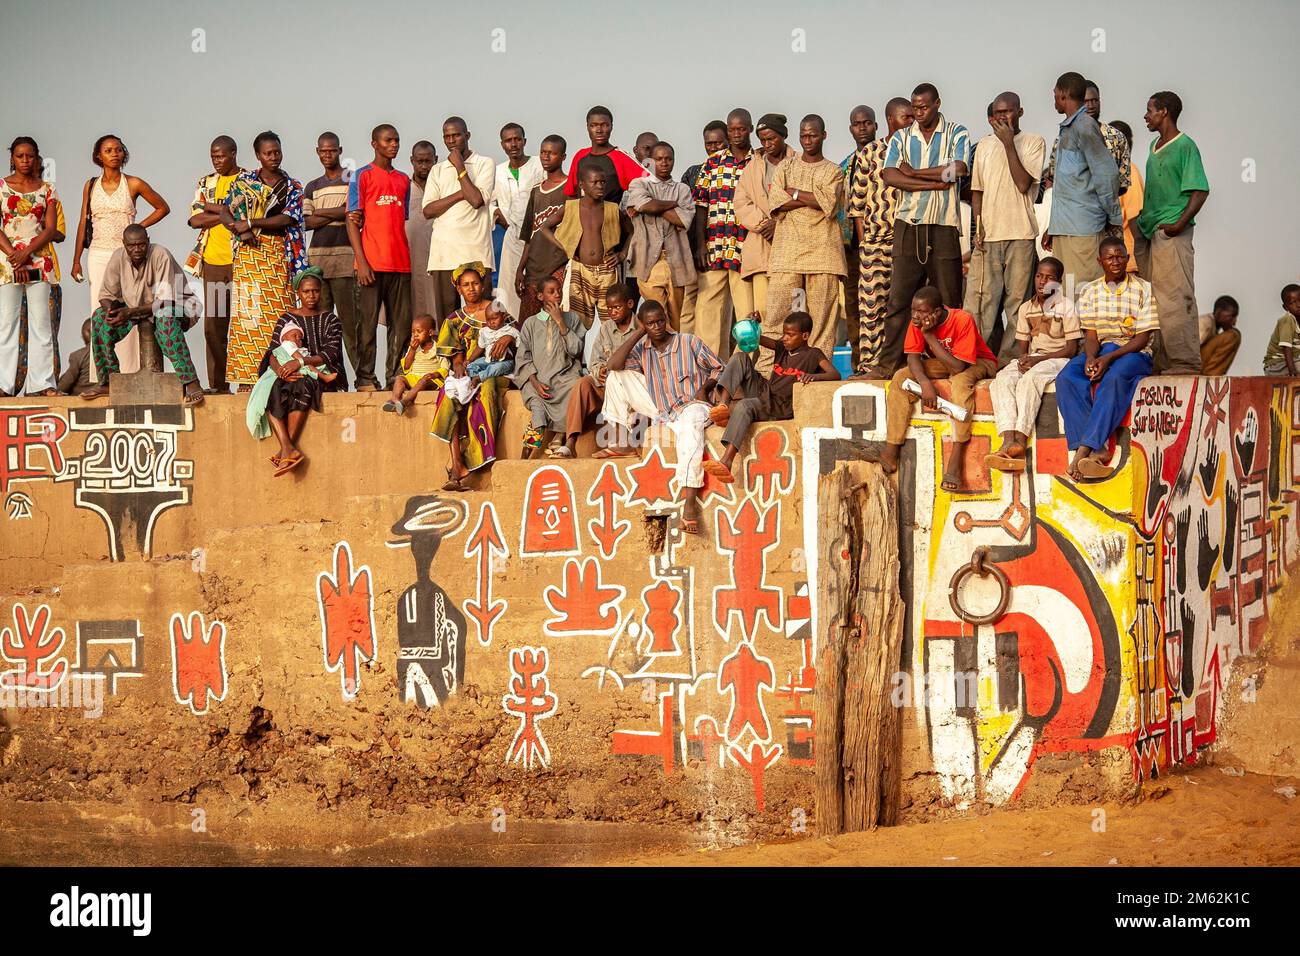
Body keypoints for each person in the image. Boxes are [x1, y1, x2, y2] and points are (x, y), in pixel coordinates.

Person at [876, 84, 971, 377]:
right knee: (899, 300)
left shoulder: (957, 132)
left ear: (938, 104)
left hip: (943, 225)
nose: (919, 113)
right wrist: (933, 182)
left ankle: (952, 363)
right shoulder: (903, 136)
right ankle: (888, 365)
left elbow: (958, 170)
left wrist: (914, 172)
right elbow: (890, 175)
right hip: (909, 224)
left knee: (948, 300)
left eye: (924, 107)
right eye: (915, 108)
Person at [606, 300, 723, 536]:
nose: (657, 326)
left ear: (666, 318)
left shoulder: (688, 341)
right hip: (661, 409)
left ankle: (689, 503)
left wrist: (706, 387)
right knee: (615, 378)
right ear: (643, 324)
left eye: (660, 320)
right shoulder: (642, 349)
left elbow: (719, 368)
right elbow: (614, 365)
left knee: (691, 430)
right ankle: (622, 441)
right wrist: (640, 332)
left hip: (692, 405)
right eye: (651, 323)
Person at [1055, 236, 1158, 480]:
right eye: (1110, 257)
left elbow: (1142, 339)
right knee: (1067, 378)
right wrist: (1092, 358)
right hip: (1101, 349)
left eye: (1120, 256)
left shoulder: (1143, 288)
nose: (1116, 261)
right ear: (1100, 261)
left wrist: (1108, 359)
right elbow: (1091, 336)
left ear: (1127, 258)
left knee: (1113, 379)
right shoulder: (1090, 290)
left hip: (1133, 352)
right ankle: (1098, 450)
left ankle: (1083, 451)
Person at [878, 286, 998, 492]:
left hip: (978, 362)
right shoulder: (917, 322)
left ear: (936, 312)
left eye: (921, 312)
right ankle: (892, 446)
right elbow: (913, 357)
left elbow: (959, 367)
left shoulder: (962, 319)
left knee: (959, 383)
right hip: (945, 361)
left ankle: (957, 456)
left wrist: (930, 336)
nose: (915, 316)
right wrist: (925, 384)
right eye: (913, 311)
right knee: (900, 377)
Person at [70, 134, 170, 376]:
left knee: (130, 307)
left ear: (123, 153)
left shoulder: (133, 183)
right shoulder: (91, 184)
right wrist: (76, 260)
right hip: (98, 252)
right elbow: (83, 222)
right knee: (101, 311)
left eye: (118, 149)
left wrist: (138, 229)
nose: (114, 153)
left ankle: (132, 370)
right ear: (98, 156)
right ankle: (104, 375)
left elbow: (163, 207)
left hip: (128, 255)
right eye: (108, 150)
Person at [80, 224, 205, 406]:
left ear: (147, 241)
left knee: (164, 317)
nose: (137, 249)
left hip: (179, 306)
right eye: (131, 245)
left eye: (141, 244)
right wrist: (112, 312)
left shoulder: (160, 255)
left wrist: (129, 312)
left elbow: (165, 301)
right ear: (124, 245)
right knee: (99, 318)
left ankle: (191, 381)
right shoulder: (117, 257)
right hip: (137, 308)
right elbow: (106, 296)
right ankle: (107, 382)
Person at [223, 131, 308, 391]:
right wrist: (239, 229)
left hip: (277, 253)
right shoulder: (245, 181)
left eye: (277, 152)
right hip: (248, 257)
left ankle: (277, 374)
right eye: (268, 153)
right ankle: (248, 379)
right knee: (247, 319)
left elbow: (287, 219)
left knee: (278, 318)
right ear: (258, 156)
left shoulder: (292, 186)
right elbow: (226, 210)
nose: (273, 157)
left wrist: (250, 222)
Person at [708, 310, 839, 476]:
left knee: (745, 405)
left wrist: (814, 376)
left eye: (790, 335)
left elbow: (835, 374)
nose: (784, 338)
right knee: (740, 357)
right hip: (765, 392)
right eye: (784, 334)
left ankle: (726, 461)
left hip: (780, 405)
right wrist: (753, 324)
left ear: (805, 336)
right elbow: (756, 338)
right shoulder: (782, 348)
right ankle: (723, 405)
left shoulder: (813, 354)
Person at [965, 92, 1045, 362]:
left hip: (1021, 233)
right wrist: (978, 228)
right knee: (980, 302)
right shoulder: (984, 146)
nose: (1002, 118)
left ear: (1020, 112)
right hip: (988, 237)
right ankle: (976, 357)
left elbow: (1024, 184)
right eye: (998, 113)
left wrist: (1009, 144)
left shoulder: (1033, 142)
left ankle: (1009, 359)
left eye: (1007, 112)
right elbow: (977, 190)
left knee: (1017, 304)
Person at [1134, 90, 1210, 375]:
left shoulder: (1185, 145)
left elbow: (1200, 190)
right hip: (1151, 230)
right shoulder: (1155, 144)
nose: (1146, 116)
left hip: (1171, 232)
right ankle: (1163, 362)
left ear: (1164, 112)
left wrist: (1179, 224)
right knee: (1154, 299)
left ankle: (1184, 363)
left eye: (1150, 110)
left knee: (1176, 297)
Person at [985, 257, 1081, 472]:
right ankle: (1007, 439)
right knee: (1002, 379)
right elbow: (1023, 345)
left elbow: (1071, 349)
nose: (1042, 281)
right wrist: (1023, 360)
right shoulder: (1026, 308)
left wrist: (1036, 361)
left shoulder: (1066, 306)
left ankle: (1020, 439)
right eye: (1039, 276)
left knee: (1031, 380)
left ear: (1058, 282)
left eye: (1049, 278)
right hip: (1034, 357)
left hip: (1058, 359)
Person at [247, 269, 346, 476]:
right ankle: (288, 447)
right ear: (298, 293)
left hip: (321, 373)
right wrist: (281, 370)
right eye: (306, 291)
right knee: (271, 388)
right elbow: (273, 352)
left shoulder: (331, 319)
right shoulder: (286, 319)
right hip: (286, 371)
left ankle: (285, 450)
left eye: (316, 291)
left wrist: (299, 362)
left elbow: (331, 353)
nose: (311, 296)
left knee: (303, 383)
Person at [766, 115, 847, 362]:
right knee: (778, 316)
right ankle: (769, 372)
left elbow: (830, 204)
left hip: (824, 254)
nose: (808, 140)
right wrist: (813, 198)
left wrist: (796, 193)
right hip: (786, 254)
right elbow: (776, 201)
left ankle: (817, 373)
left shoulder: (834, 171)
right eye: (803, 135)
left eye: (812, 135)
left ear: (824, 135)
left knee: (821, 322)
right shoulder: (785, 168)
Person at [429, 263, 508, 491]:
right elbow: (453, 355)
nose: (471, 288)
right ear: (458, 289)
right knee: (449, 394)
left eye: (475, 283)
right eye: (465, 285)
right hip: (467, 370)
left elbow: (515, 336)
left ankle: (476, 455)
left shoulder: (497, 310)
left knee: (486, 388)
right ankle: (457, 465)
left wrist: (508, 340)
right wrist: (458, 364)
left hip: (496, 370)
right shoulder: (453, 320)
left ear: (483, 285)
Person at [847, 97, 911, 375]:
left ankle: (903, 363)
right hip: (875, 242)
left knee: (903, 306)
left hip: (909, 240)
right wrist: (864, 245)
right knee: (871, 307)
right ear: (890, 119)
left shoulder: (916, 150)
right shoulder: (871, 152)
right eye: (906, 117)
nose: (911, 120)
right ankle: (870, 364)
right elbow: (857, 206)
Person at [346, 124, 412, 390]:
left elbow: (400, 219)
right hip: (370, 263)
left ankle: (394, 376)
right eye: (388, 140)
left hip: (401, 263)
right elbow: (352, 221)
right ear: (375, 143)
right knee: (367, 325)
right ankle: (365, 378)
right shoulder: (361, 176)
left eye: (396, 139)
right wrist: (361, 261)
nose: (394, 144)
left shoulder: (403, 179)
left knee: (400, 326)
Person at [1042, 72, 1121, 294]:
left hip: (1084, 229)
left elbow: (1106, 174)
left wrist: (1113, 216)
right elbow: (1069, 184)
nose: (1054, 98)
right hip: (1066, 227)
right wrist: (1054, 226)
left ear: (1064, 94)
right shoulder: (1070, 127)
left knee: (1084, 293)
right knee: (1065, 293)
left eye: (1055, 93)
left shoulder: (1085, 126)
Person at [692, 109, 756, 357]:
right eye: (732, 129)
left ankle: (746, 373)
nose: (737, 133)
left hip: (746, 249)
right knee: (708, 313)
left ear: (750, 130)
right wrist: (700, 245)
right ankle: (710, 374)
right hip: (715, 246)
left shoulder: (758, 162)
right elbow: (700, 207)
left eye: (741, 129)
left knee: (747, 318)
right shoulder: (713, 163)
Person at [735, 113, 795, 373]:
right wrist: (764, 224)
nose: (768, 144)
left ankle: (789, 367)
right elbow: (741, 203)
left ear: (783, 136)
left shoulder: (798, 162)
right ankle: (759, 371)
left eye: (772, 138)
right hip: (761, 249)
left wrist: (779, 224)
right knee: (762, 314)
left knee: (791, 314)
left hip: (792, 248)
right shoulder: (753, 166)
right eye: (763, 139)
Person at [0, 137, 60, 397]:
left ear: (37, 158)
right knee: (7, 322)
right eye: (20, 156)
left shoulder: (47, 188)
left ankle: (42, 383)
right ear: (12, 157)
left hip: (38, 258)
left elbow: (51, 229)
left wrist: (27, 251)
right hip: (8, 259)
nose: (25, 161)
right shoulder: (1, 187)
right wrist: (15, 253)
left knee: (41, 322)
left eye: (30, 156)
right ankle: (4, 384)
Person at [185, 135, 245, 394]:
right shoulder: (205, 182)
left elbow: (250, 216)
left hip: (243, 259)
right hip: (212, 261)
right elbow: (195, 220)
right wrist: (225, 212)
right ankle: (219, 385)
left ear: (233, 153)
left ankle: (247, 380)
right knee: (214, 326)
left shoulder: (248, 180)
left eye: (221, 156)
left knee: (244, 323)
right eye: (213, 156)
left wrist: (214, 211)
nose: (217, 161)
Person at [537, 163, 630, 329]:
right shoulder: (571, 206)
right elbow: (544, 228)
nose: (600, 186)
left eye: (602, 182)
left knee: (612, 323)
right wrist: (566, 247)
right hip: (580, 271)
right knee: (576, 323)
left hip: (607, 271)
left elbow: (632, 232)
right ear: (582, 185)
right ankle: (575, 354)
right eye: (594, 182)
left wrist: (622, 254)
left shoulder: (612, 209)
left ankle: (612, 354)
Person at [423, 117, 496, 325]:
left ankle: (481, 359)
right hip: (443, 255)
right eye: (447, 136)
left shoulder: (485, 163)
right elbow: (428, 210)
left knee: (482, 319)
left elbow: (475, 200)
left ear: (467, 136)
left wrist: (459, 167)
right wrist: (458, 194)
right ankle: (451, 359)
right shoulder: (437, 170)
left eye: (456, 135)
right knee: (448, 321)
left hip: (476, 254)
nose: (452, 140)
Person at [564, 282, 640, 458]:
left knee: (617, 379)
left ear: (630, 304)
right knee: (582, 384)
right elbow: (595, 362)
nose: (612, 312)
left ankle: (623, 444)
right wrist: (600, 372)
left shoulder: (641, 328)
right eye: (609, 308)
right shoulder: (606, 328)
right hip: (604, 384)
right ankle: (570, 442)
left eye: (617, 307)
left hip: (629, 385)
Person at [303, 132, 357, 377]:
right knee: (323, 328)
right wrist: (338, 212)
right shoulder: (312, 186)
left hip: (346, 261)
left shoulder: (352, 182)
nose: (328, 155)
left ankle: (363, 377)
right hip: (318, 264)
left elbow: (352, 212)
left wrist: (323, 214)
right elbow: (305, 222)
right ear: (317, 152)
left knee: (350, 326)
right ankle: (332, 378)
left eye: (332, 150)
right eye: (323, 151)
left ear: (340, 150)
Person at [624, 142, 695, 330]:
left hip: (677, 261)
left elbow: (682, 220)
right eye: (659, 159)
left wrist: (652, 205)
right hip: (648, 262)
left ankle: (673, 357)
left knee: (676, 319)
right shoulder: (638, 183)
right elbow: (645, 205)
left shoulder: (682, 189)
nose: (664, 163)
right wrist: (672, 204)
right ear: (650, 161)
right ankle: (659, 357)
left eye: (668, 159)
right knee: (657, 317)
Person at [514, 275, 585, 456]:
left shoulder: (573, 319)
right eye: (551, 292)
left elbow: (576, 350)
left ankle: (559, 436)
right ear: (540, 297)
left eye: (559, 291)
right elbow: (523, 358)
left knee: (573, 388)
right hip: (537, 379)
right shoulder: (530, 323)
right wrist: (535, 381)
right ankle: (529, 450)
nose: (557, 295)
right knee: (537, 404)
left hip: (564, 377)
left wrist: (560, 322)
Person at [1042, 79, 1132, 196]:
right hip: (1074, 208)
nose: (1090, 106)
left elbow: (1123, 183)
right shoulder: (1063, 138)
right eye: (1086, 101)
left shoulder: (1116, 137)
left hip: (1105, 209)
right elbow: (1054, 178)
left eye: (1095, 100)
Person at [680, 121, 728, 334]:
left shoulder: (735, 170)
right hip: (693, 251)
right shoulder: (693, 173)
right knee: (688, 309)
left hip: (721, 250)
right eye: (709, 144)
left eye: (718, 143)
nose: (713, 148)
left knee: (720, 311)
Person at [515, 135, 570, 323]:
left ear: (563, 157)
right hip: (533, 269)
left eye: (552, 153)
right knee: (529, 325)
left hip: (558, 265)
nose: (546, 157)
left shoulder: (571, 189)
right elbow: (529, 235)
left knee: (557, 322)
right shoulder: (536, 191)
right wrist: (520, 269)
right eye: (543, 153)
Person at [492, 124, 544, 320]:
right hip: (512, 239)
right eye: (508, 140)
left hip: (538, 238)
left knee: (538, 289)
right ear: (502, 145)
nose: (513, 144)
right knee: (511, 292)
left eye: (517, 139)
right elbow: (487, 203)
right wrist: (500, 217)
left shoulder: (539, 165)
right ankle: (516, 337)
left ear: (524, 141)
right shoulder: (497, 172)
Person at [839, 106, 875, 367]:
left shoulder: (886, 156)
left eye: (866, 123)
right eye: (856, 124)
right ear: (850, 128)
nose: (862, 128)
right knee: (853, 307)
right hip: (850, 248)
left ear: (876, 125)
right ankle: (857, 363)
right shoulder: (844, 165)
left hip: (879, 243)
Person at [563, 106, 646, 205]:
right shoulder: (580, 156)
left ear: (611, 126)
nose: (599, 130)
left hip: (609, 218)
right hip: (580, 218)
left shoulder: (621, 157)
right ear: (587, 127)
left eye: (604, 125)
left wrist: (628, 213)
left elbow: (650, 184)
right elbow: (571, 194)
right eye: (593, 125)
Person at [406, 141, 439, 321]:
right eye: (420, 161)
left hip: (437, 260)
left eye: (428, 161)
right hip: (409, 261)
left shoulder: (443, 188)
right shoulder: (403, 188)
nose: (424, 166)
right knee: (407, 314)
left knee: (439, 310)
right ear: (412, 161)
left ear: (436, 160)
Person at [383, 313, 441, 415]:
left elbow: (445, 367)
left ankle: (405, 401)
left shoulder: (437, 348)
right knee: (399, 378)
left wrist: (434, 374)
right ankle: (394, 400)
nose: (415, 335)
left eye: (419, 331)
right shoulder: (413, 348)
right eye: (413, 332)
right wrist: (412, 350)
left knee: (424, 379)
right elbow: (406, 366)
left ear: (430, 332)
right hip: (415, 378)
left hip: (431, 380)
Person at [1109, 121, 1144, 274]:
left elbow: (1134, 217)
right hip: (1120, 259)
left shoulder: (1128, 171)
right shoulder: (1121, 171)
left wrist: (1143, 256)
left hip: (1126, 259)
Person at [465, 300, 517, 381]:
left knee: (498, 368)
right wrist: (469, 360)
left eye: (494, 318)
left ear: (504, 316)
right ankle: (472, 377)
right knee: (473, 365)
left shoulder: (512, 331)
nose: (491, 322)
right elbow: (479, 348)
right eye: (488, 320)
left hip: (504, 362)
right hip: (487, 360)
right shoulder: (484, 331)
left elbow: (519, 350)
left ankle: (479, 377)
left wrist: (512, 341)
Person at [1262, 285, 1300, 376]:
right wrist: (1292, 372)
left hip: (1293, 360)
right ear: (1285, 307)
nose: (1298, 305)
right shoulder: (1287, 320)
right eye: (1292, 303)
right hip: (1276, 364)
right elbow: (1286, 348)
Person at [1199, 295, 1241, 376]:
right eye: (1231, 316)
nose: (1234, 322)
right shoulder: (1205, 323)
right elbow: (1189, 350)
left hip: (1198, 364)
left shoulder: (1214, 328)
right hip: (1191, 366)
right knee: (1233, 336)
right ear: (1219, 312)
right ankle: (1211, 378)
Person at [59, 319, 94, 395]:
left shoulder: (78, 355)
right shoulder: (110, 354)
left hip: (81, 397)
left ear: (87, 332)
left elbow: (64, 385)